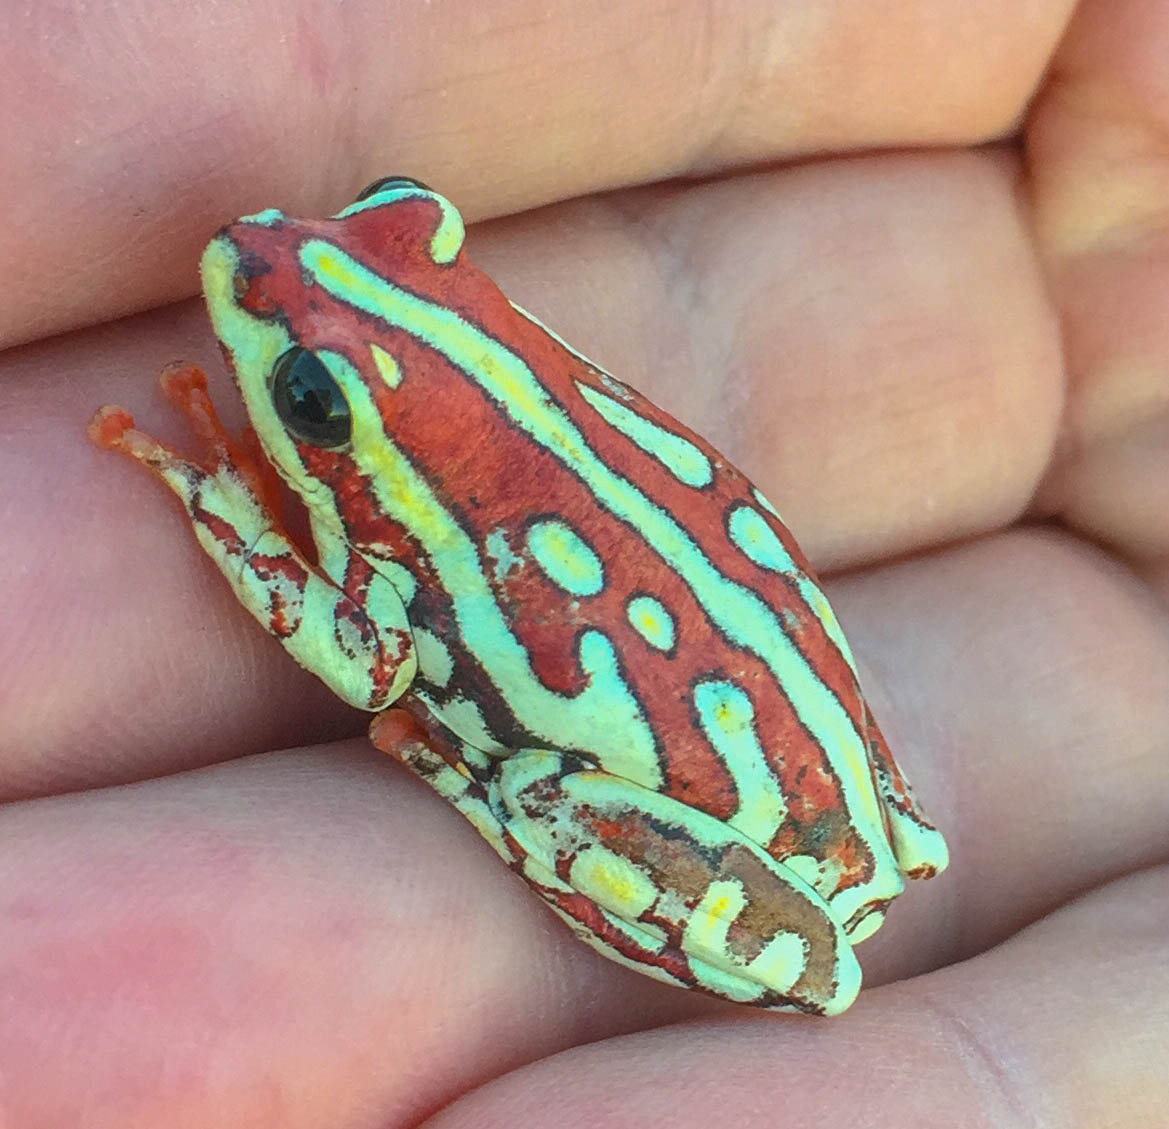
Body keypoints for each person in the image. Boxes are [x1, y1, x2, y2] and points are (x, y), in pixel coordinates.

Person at [0, 1, 1165, 1123]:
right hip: (821, 777)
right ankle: (862, 821)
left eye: (309, 399)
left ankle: (550, 812)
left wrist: (225, 507)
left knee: (537, 789)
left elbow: (365, 663)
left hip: (755, 871)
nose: (264, 258)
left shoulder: (406, 531)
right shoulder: (519, 404)